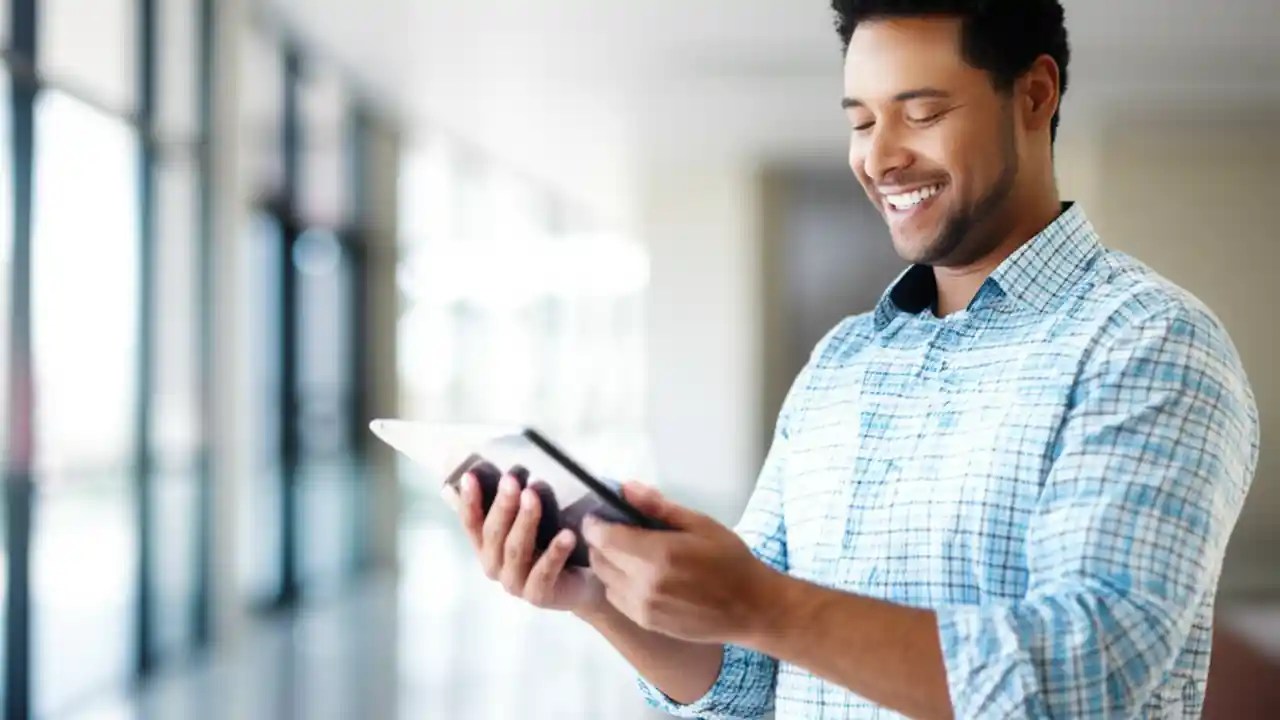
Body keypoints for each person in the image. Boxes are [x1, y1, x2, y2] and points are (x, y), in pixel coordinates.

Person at [450, 1, 1260, 717]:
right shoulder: (842, 362)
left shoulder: (1147, 342)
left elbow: (1083, 683)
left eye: (921, 112)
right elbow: (745, 683)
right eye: (861, 122)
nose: (881, 158)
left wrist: (764, 603)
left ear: (1035, 95)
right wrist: (602, 599)